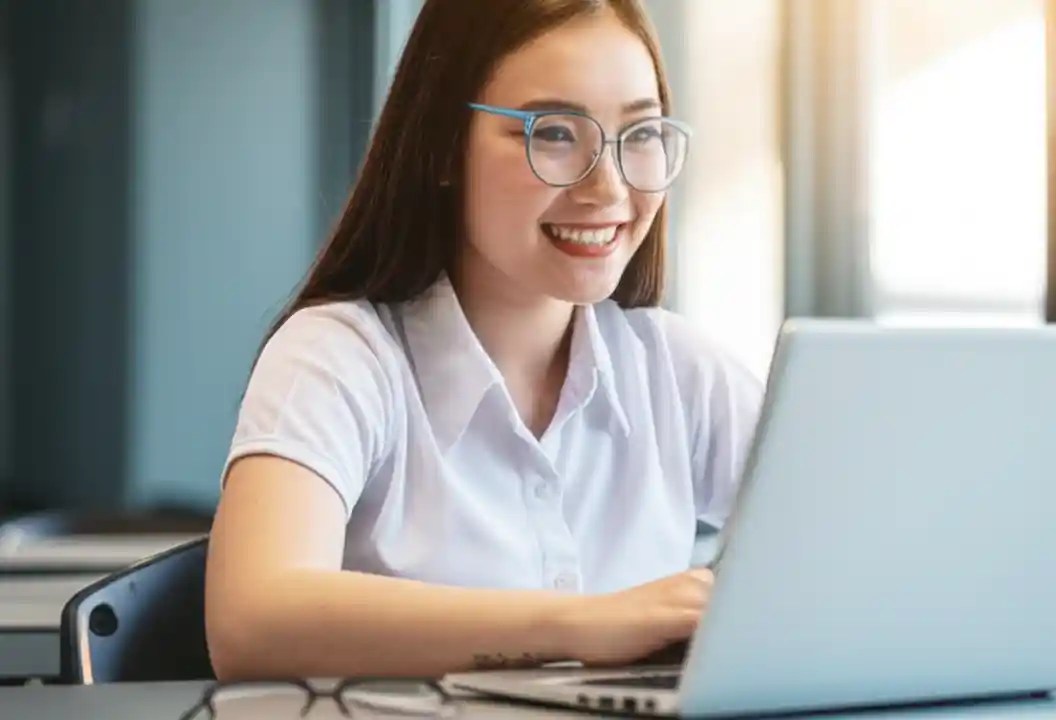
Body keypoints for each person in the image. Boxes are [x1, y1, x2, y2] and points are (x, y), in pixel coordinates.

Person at [206, 0, 763, 681]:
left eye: (640, 133)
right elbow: (252, 622)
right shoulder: (338, 357)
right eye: (555, 133)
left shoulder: (679, 371)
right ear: (442, 147)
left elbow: (865, 554)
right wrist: (588, 625)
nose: (609, 186)